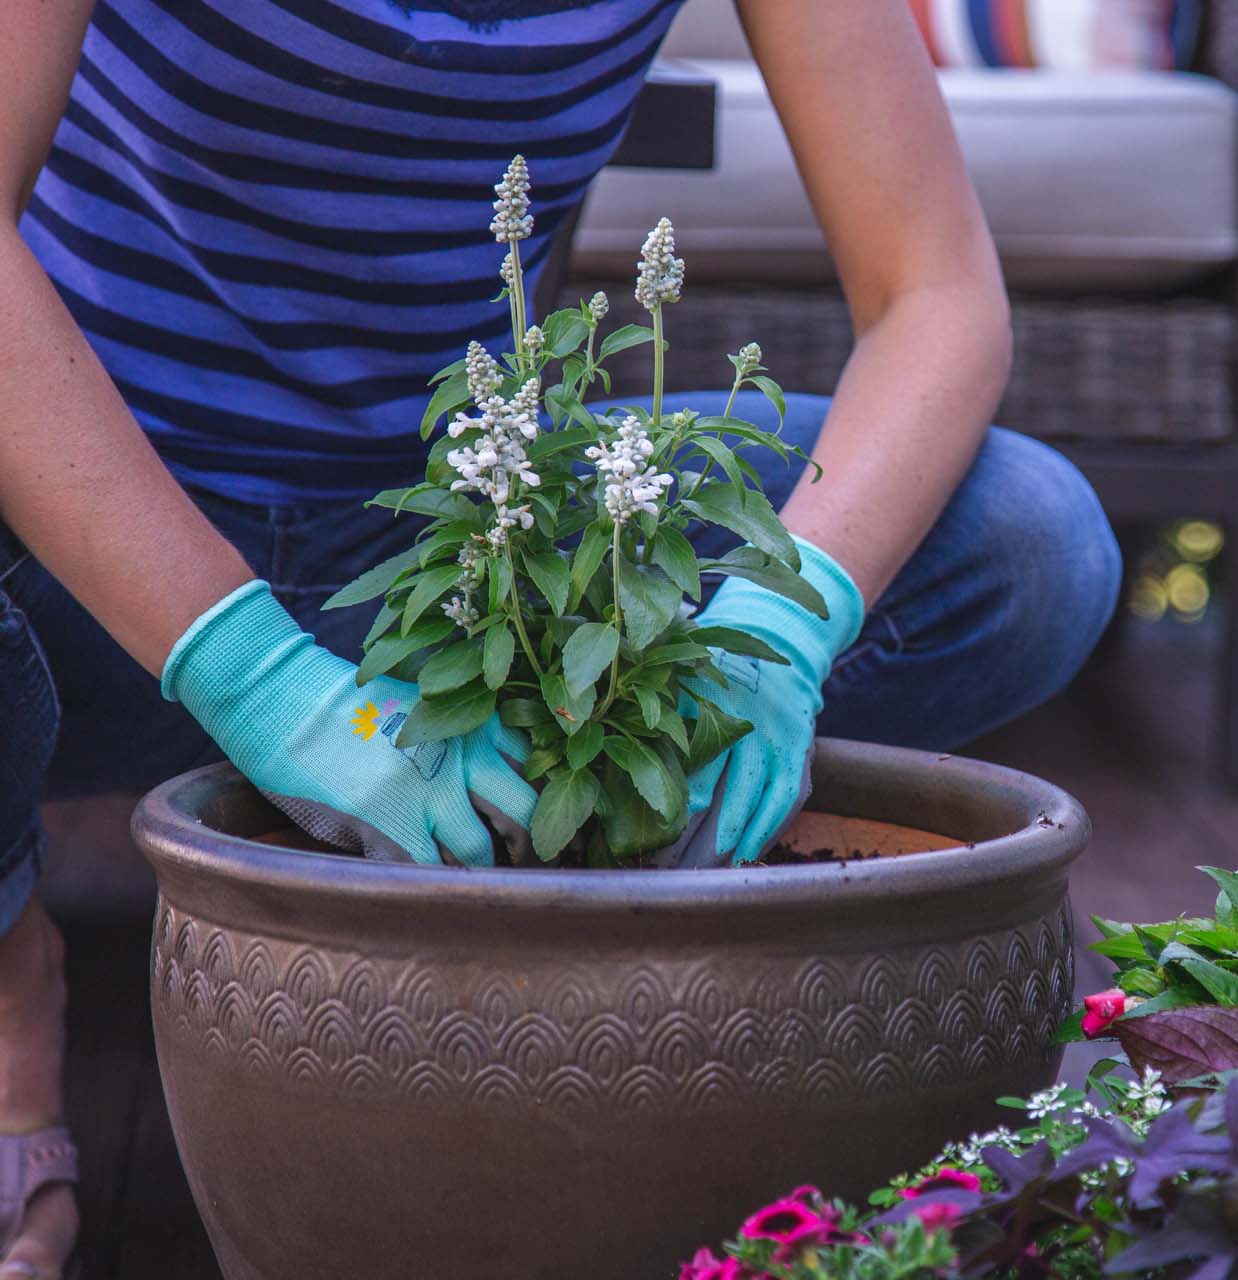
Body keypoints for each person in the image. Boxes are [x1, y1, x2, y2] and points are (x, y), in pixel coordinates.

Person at [0, 0, 1121, 1270]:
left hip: (458, 547)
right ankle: (8, 969)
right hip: (88, 558)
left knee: (1028, 544)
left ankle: (554, 874)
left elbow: (935, 292)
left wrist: (771, 625)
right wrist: (253, 675)